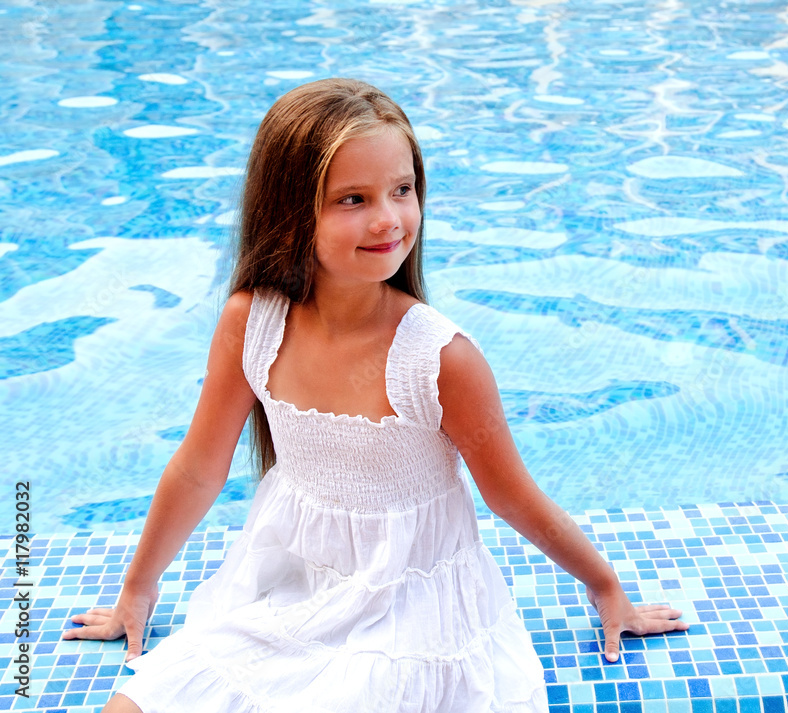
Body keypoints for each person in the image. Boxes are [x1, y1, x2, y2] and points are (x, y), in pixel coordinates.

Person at [62, 78, 688, 712]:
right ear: (289, 210)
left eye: (402, 190)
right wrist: (137, 590)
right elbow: (198, 468)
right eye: (353, 199)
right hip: (288, 588)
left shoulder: (440, 359)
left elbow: (513, 496)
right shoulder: (252, 322)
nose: (389, 218)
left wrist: (606, 587)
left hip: (405, 606)